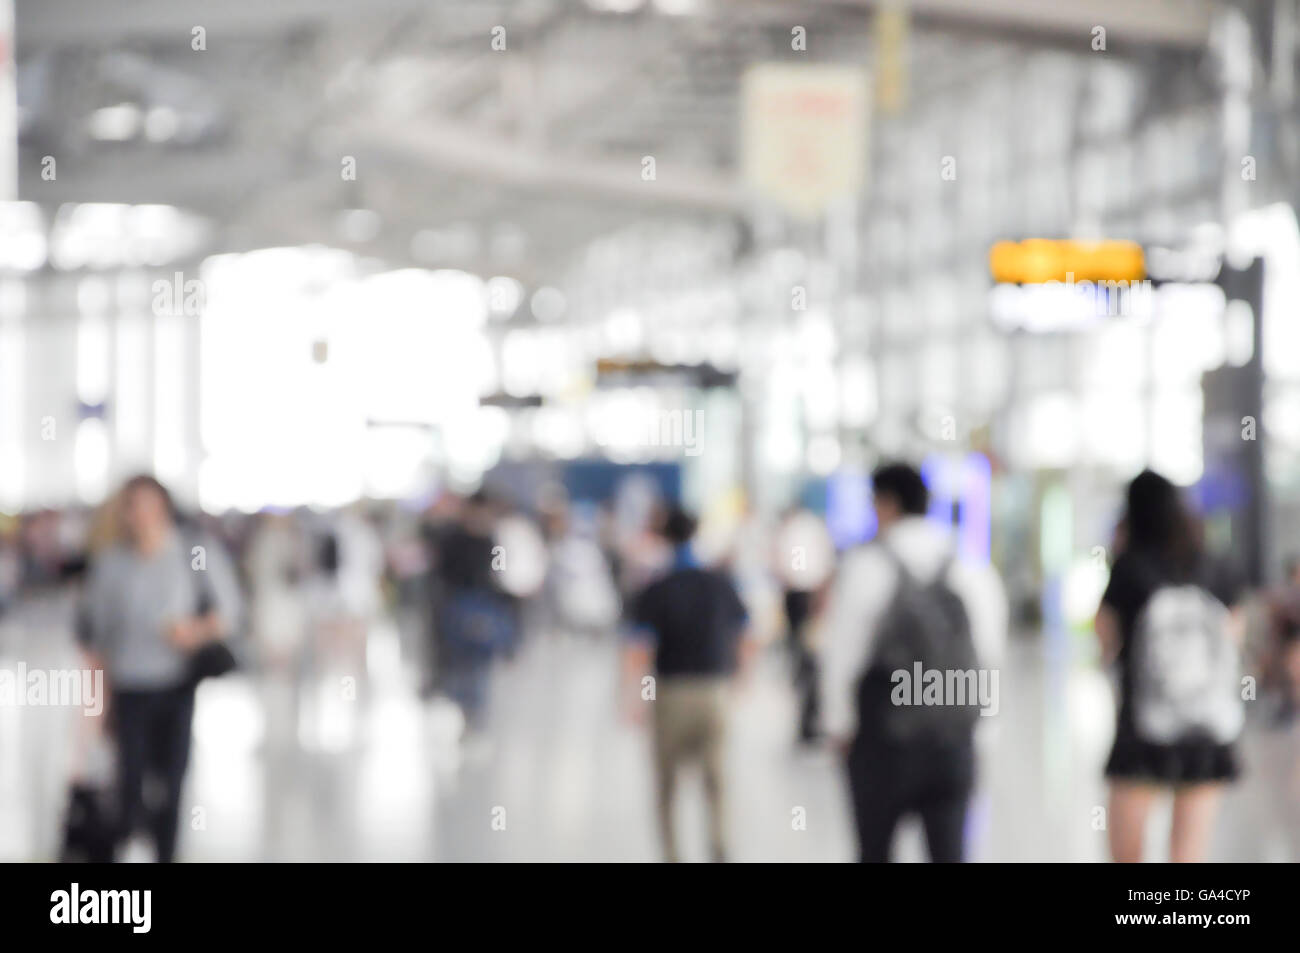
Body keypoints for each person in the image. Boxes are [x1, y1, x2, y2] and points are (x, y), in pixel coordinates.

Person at [819, 462, 1006, 863]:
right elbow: (988, 656)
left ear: (886, 504)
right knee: (950, 853)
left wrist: (838, 726)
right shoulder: (971, 566)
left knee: (875, 851)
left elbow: (842, 656)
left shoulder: (866, 566)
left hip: (882, 743)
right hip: (954, 741)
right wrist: (983, 731)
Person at [78, 475, 242, 862]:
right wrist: (94, 712)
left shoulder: (194, 553)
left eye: (149, 505)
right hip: (130, 688)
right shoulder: (111, 564)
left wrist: (195, 631)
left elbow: (230, 612)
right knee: (129, 785)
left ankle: (166, 853)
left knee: (171, 783)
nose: (141, 515)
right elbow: (98, 641)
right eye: (133, 506)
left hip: (176, 685)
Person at [1095, 469, 1245, 863]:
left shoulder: (1129, 568)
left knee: (1127, 852)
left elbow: (1104, 640)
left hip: (1141, 727)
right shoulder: (1215, 565)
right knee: (1189, 854)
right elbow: (1235, 637)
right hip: (1207, 726)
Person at [623, 506, 754, 863]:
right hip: (714, 692)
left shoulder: (656, 588)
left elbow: (638, 649)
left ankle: (672, 856)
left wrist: (634, 699)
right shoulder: (720, 582)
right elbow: (746, 632)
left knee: (667, 786)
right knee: (717, 782)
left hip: (671, 694)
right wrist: (743, 679)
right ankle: (720, 851)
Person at [1267, 555, 1300, 726]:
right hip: (1290, 642)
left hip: (1290, 643)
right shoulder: (1286, 594)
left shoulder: (1284, 594)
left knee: (1291, 680)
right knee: (1290, 680)